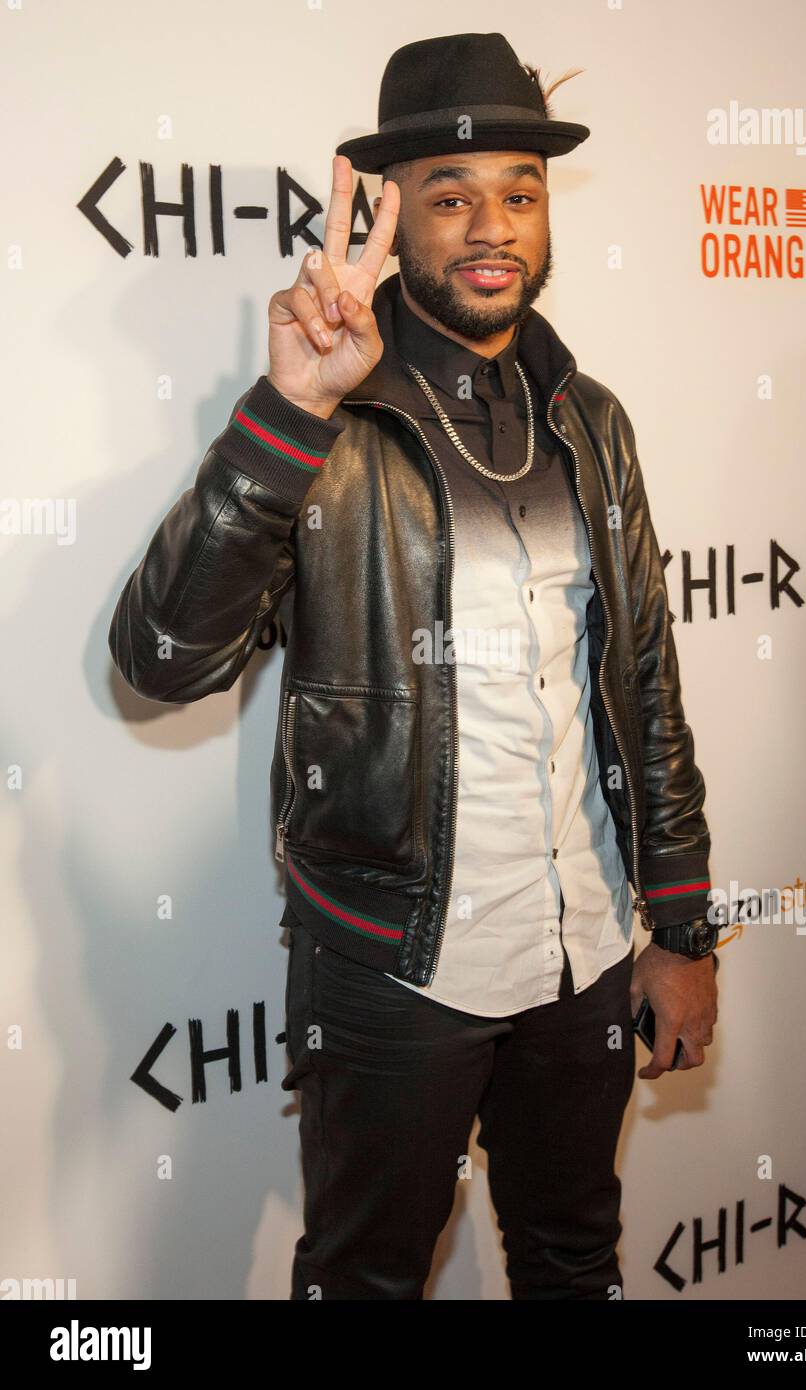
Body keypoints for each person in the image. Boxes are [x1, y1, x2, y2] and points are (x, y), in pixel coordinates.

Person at [109, 31, 719, 1301]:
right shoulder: (329, 420)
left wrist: (679, 926)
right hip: (395, 965)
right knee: (366, 1277)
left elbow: (646, 681)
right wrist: (286, 416)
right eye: (450, 199)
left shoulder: (589, 418)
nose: (490, 225)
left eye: (518, 192)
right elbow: (162, 661)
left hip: (589, 953)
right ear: (392, 218)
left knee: (572, 1259)